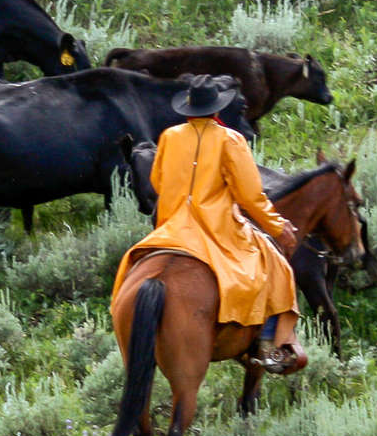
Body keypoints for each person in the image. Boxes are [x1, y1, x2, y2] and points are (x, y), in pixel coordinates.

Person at [113, 75, 302, 372]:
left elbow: (157, 182)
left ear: (188, 110)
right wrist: (278, 227)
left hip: (172, 227)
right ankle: (267, 345)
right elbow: (251, 196)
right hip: (218, 228)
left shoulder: (169, 137)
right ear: (217, 110)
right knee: (277, 267)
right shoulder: (232, 140)